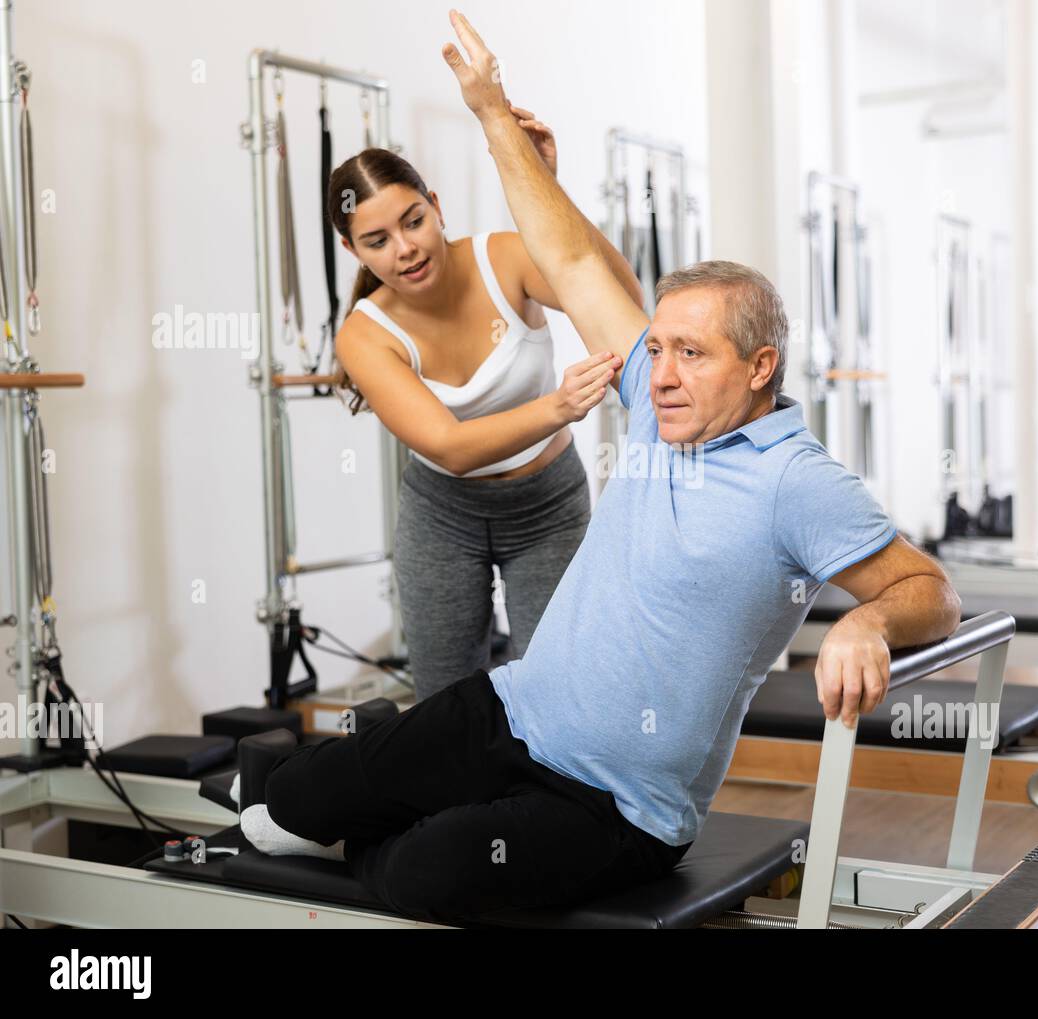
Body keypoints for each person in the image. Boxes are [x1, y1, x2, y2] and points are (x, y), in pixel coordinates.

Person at [240, 10, 961, 924]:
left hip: (616, 804)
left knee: (426, 873)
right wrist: (492, 111)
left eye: (690, 355)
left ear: (759, 368)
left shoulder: (797, 481)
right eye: (653, 349)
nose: (658, 375)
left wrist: (868, 622)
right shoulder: (661, 407)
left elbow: (929, 590)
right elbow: (576, 259)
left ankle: (407, 815)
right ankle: (329, 789)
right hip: (509, 710)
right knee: (279, 815)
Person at [328, 121, 641, 700]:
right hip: (443, 517)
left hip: (548, 505)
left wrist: (548, 189)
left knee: (563, 687)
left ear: (436, 207)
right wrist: (559, 406)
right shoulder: (364, 335)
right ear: (352, 250)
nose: (406, 249)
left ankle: (553, 794)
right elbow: (448, 444)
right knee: (447, 703)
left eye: (413, 220)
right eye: (377, 241)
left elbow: (621, 298)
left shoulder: (504, 258)